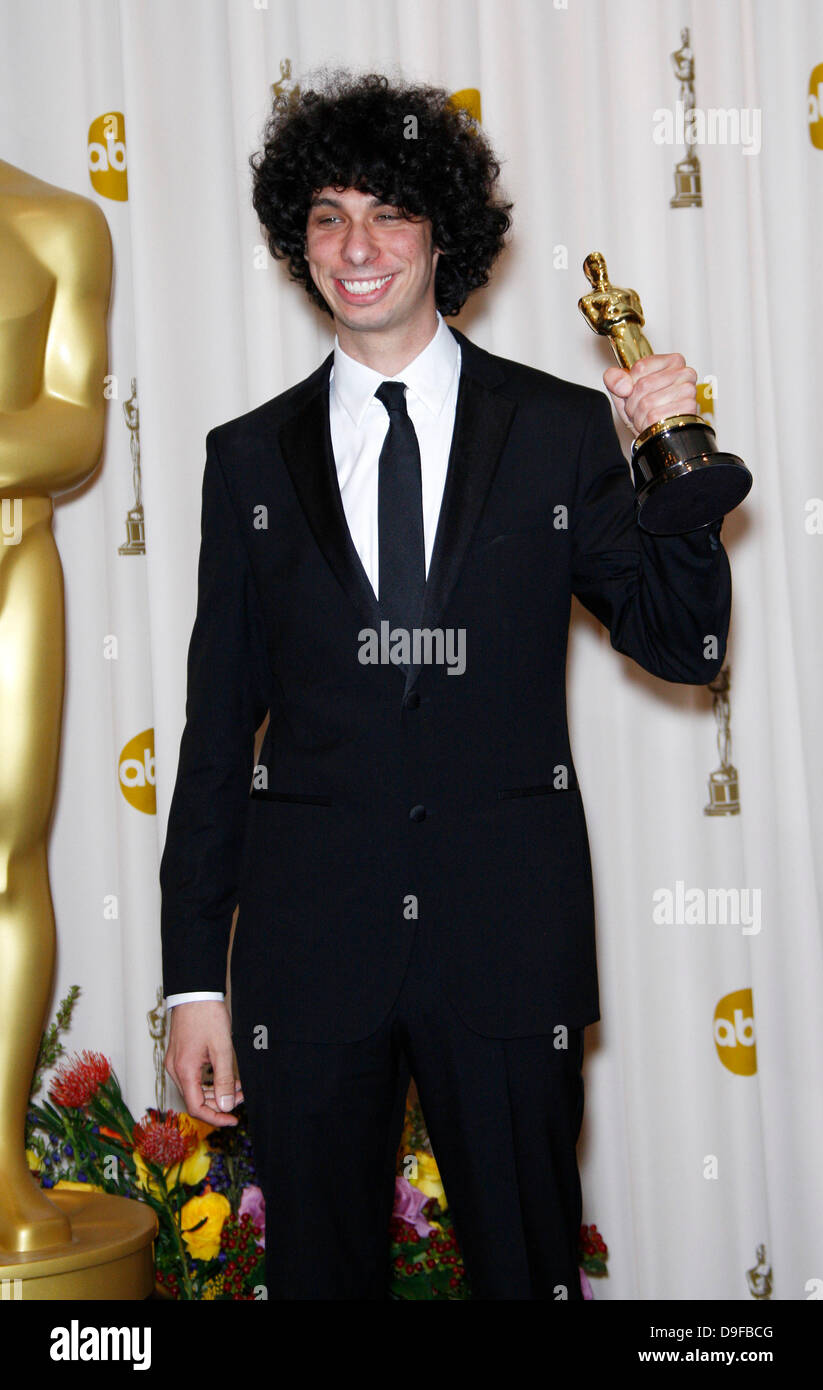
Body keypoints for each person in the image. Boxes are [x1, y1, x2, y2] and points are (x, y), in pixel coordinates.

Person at [160, 72, 732, 1300]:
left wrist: (675, 484)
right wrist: (195, 977)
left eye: (390, 209)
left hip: (505, 940)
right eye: (325, 214)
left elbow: (683, 649)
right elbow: (217, 729)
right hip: (309, 952)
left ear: (444, 233)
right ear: (295, 240)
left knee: (529, 1273)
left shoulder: (563, 429)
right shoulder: (244, 457)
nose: (356, 245)